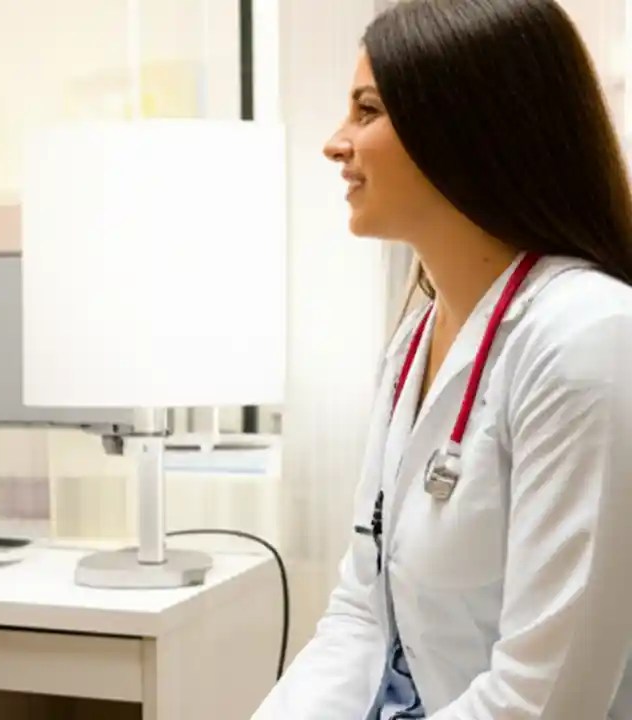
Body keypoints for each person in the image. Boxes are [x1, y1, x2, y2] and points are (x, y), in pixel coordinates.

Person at [254, 0, 632, 717]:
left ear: (462, 127)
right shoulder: (418, 337)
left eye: (367, 111)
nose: (337, 144)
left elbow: (545, 701)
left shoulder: (589, 340)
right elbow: (364, 614)